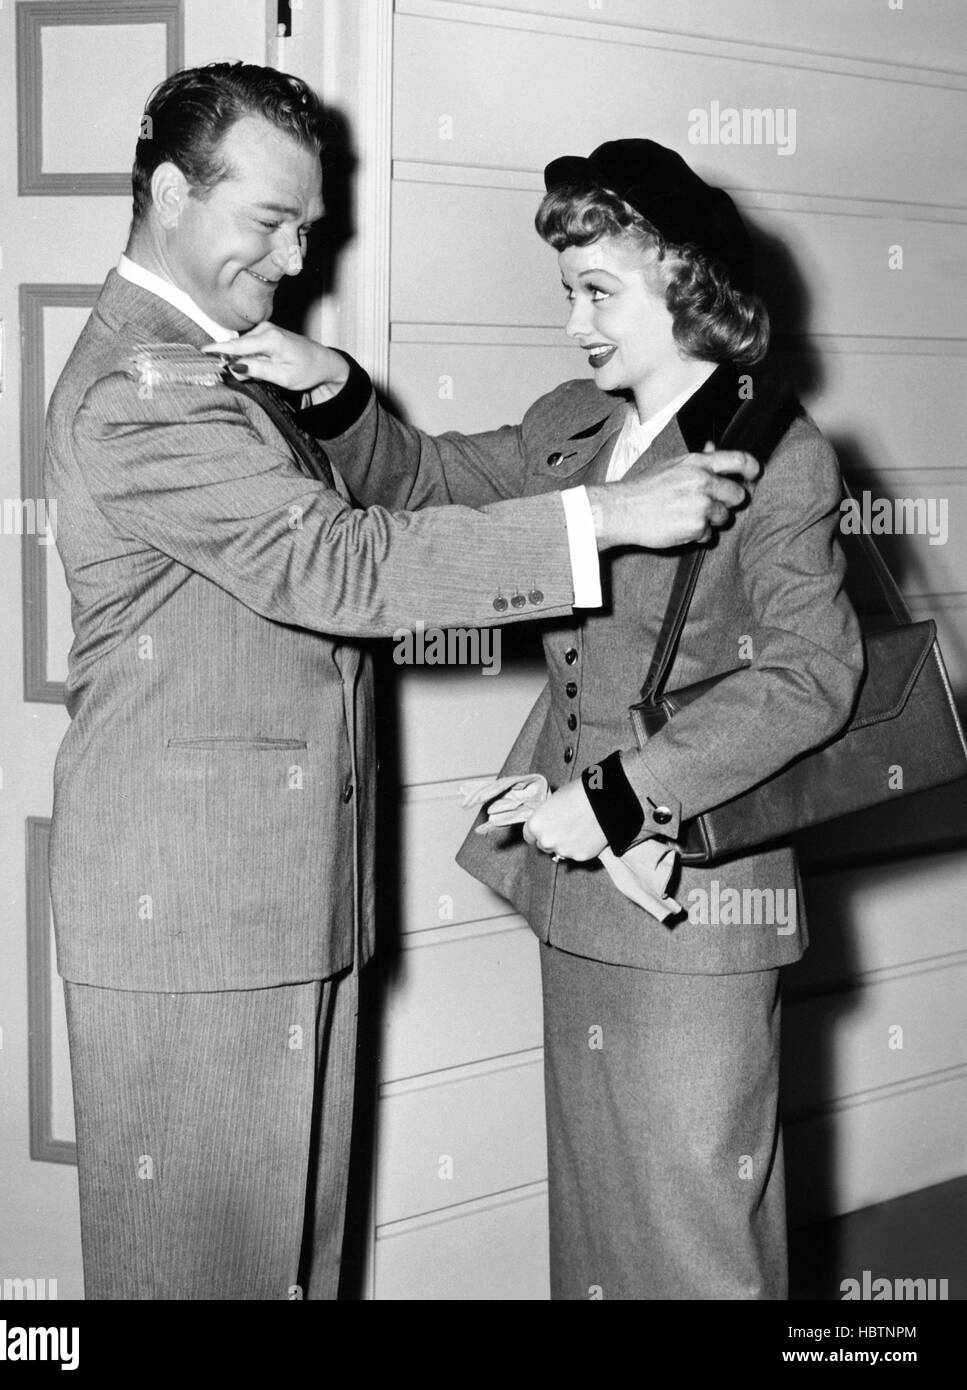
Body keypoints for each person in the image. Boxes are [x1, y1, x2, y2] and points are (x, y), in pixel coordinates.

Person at [46, 66, 757, 1303]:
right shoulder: (139, 388)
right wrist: (604, 520)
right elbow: (342, 557)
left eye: (308, 224)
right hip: (193, 909)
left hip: (276, 901)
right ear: (168, 195)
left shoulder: (217, 369)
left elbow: (415, 479)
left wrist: (334, 394)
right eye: (269, 221)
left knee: (288, 1270)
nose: (294, 253)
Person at [222, 138, 864, 1299]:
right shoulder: (573, 422)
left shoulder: (781, 457)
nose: (575, 322)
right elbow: (429, 478)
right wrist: (335, 387)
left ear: (686, 280)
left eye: (597, 291)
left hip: (695, 906)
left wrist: (614, 794)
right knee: (603, 1229)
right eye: (568, 291)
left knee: (691, 1231)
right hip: (580, 897)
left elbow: (812, 677)